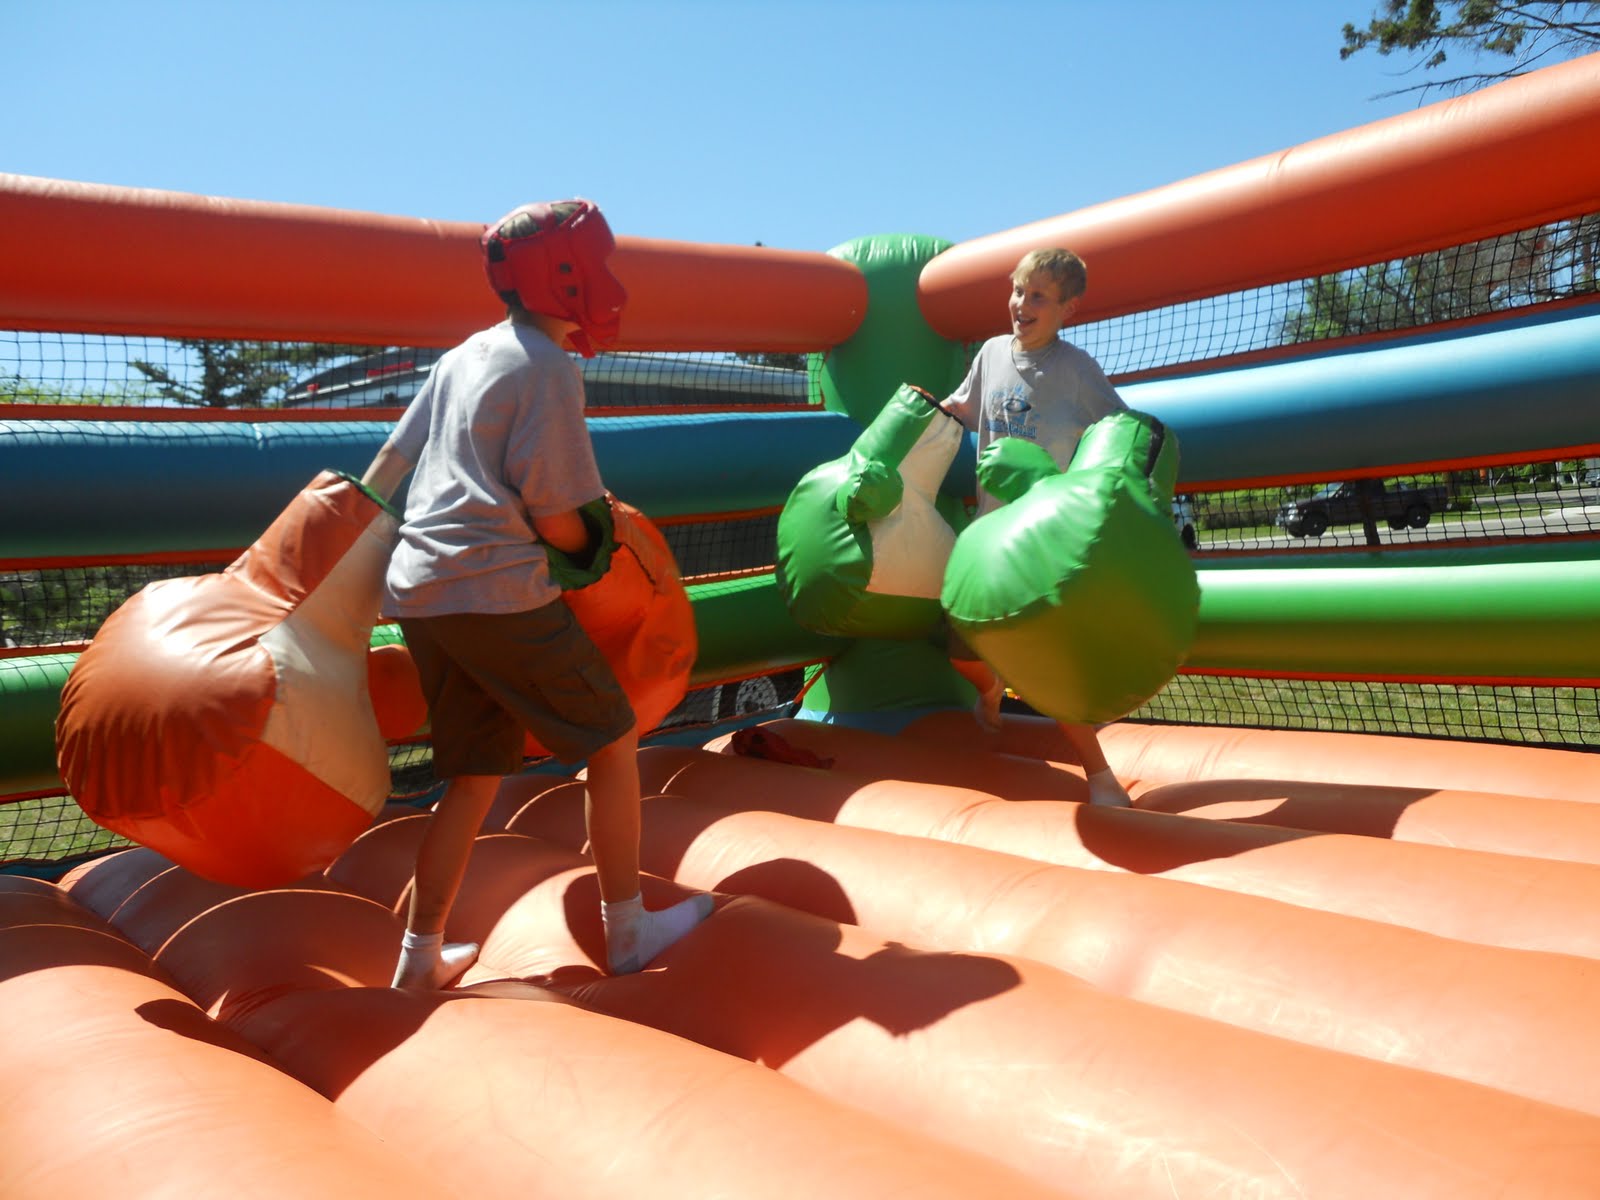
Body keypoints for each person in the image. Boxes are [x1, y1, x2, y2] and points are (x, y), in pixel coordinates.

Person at [361, 199, 712, 989]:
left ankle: (417, 960)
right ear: (567, 275)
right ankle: (628, 930)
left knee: (475, 771)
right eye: (598, 266)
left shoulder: (465, 354)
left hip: (421, 592)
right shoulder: (546, 367)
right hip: (495, 589)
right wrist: (593, 548)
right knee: (613, 738)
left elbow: (390, 459)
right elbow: (556, 513)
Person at [939, 247, 1134, 809]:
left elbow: (1116, 430)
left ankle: (1100, 776)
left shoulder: (1075, 372)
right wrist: (923, 410)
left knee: (1046, 667)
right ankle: (991, 690)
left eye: (1038, 297)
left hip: (1042, 539)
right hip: (986, 536)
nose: (1021, 305)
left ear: (1068, 308)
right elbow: (964, 405)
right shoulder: (992, 353)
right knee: (961, 652)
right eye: (1018, 291)